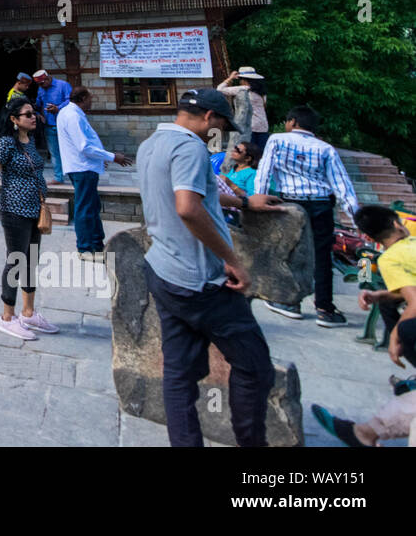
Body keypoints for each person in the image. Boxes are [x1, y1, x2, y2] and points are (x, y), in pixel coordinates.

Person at [137, 88, 275, 447]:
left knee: (179, 373)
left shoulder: (150, 143)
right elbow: (187, 207)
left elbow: (201, 195)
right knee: (254, 365)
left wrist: (244, 201)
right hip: (200, 280)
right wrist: (232, 260)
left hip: (162, 269)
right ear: (210, 118)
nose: (219, 135)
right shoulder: (190, 147)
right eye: (221, 126)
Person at [312, 205, 416, 446]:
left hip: (372, 267)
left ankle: (366, 433)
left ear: (368, 237)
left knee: (406, 328)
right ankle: (366, 432)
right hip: (374, 270)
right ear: (397, 223)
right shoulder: (408, 239)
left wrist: (395, 337)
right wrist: (382, 295)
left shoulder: (381, 255)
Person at [249, 105, 358, 327]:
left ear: (293, 122)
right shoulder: (326, 149)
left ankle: (290, 303)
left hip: (291, 204)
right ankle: (325, 309)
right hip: (321, 204)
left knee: (290, 253)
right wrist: (356, 217)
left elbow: (265, 170)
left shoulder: (277, 140)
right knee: (322, 256)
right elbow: (341, 184)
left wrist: (259, 196)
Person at [0, 97, 59, 341]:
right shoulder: (4, 144)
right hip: (13, 210)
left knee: (31, 261)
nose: (33, 117)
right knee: (16, 261)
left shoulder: (29, 142)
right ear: (14, 120)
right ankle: (7, 317)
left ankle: (28, 313)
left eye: (33, 113)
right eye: (27, 114)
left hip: (34, 210)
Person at [56, 86, 132, 259]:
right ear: (82, 98)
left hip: (84, 166)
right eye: (90, 98)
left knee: (92, 206)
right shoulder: (73, 116)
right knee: (85, 208)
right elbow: (84, 147)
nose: (91, 101)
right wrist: (113, 157)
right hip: (82, 168)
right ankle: (85, 248)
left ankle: (97, 244)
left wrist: (99, 159)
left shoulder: (69, 113)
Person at [33, 70, 71, 183]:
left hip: (64, 124)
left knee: (69, 150)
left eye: (42, 84)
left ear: (48, 79)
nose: (41, 87)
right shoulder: (41, 89)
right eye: (39, 85)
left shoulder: (63, 85)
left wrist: (58, 108)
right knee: (54, 152)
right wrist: (39, 115)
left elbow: (70, 100)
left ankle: (74, 174)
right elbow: (38, 104)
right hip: (49, 125)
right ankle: (58, 177)